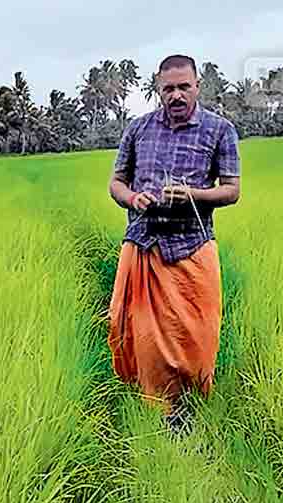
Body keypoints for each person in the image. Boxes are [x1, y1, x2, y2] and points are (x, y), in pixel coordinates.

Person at [106, 53, 242, 431]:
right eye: (169, 88)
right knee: (142, 335)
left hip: (192, 249)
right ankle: (160, 413)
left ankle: (194, 405)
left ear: (197, 85)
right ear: (158, 90)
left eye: (184, 86)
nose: (177, 95)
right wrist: (133, 199)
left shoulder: (219, 130)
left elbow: (231, 191)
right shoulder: (137, 129)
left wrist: (193, 195)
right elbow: (116, 184)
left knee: (197, 338)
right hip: (143, 246)